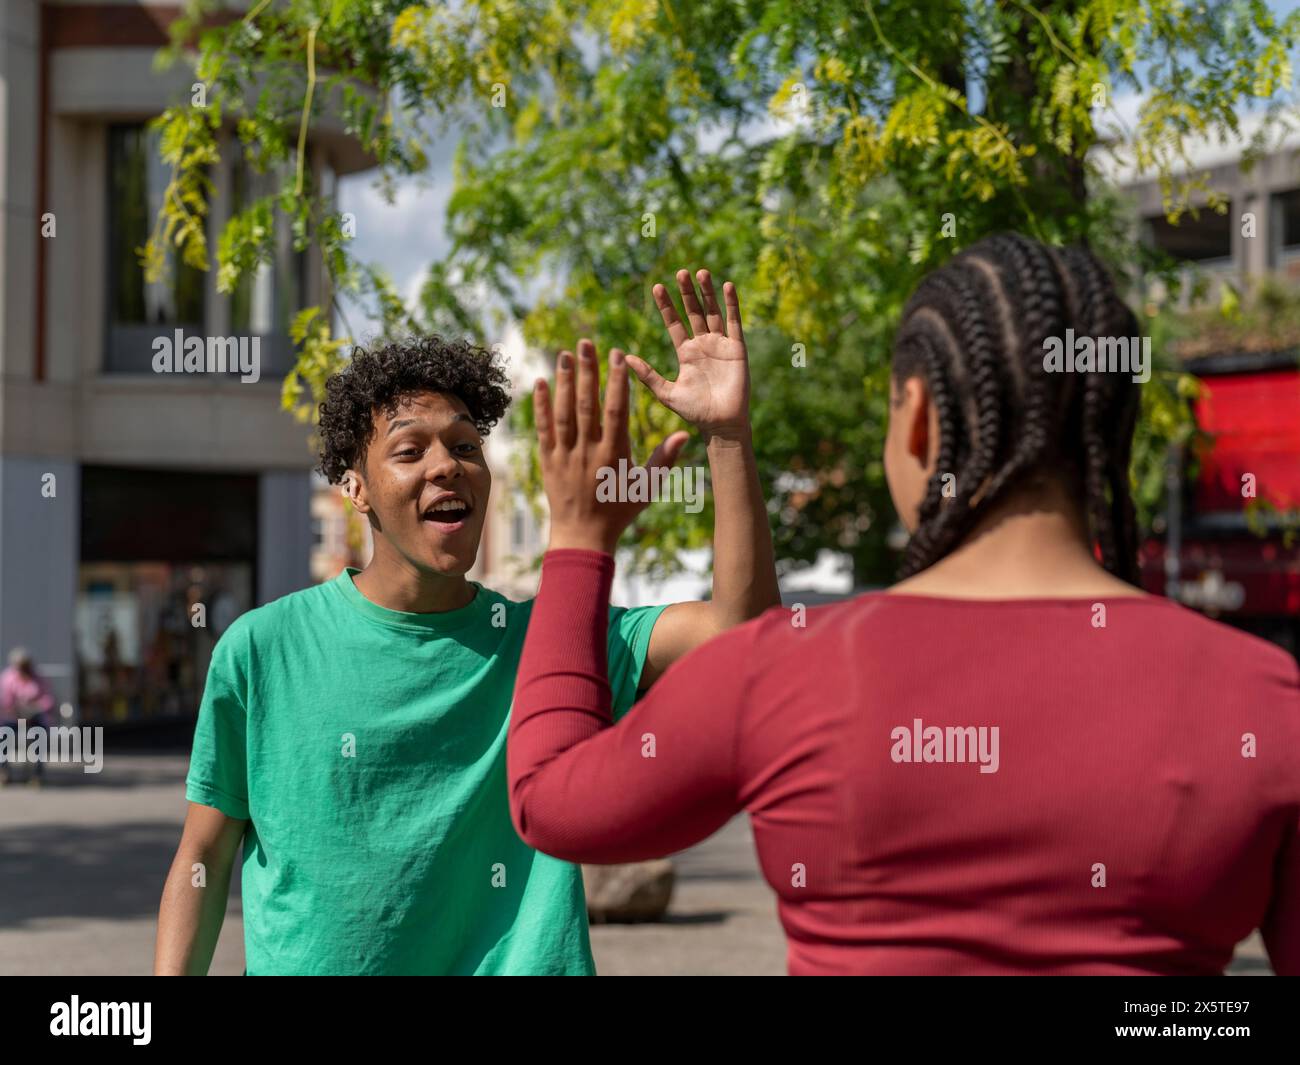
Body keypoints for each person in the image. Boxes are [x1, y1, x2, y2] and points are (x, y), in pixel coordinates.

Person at [509, 232, 1300, 976]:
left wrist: (580, 538)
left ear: (917, 417)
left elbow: (550, 800)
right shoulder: (1266, 698)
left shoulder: (787, 672)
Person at [154, 270, 780, 975]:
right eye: (409, 449)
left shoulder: (556, 641)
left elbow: (742, 631)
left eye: (465, 445)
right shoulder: (262, 649)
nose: (447, 466)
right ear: (353, 486)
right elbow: (203, 855)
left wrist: (728, 439)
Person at [0, 647, 57, 787]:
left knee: (41, 733)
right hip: (13, 717)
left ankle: (37, 774)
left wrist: (37, 707)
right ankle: (3, 771)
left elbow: (49, 700)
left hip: (34, 716)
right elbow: (5, 702)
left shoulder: (38, 677)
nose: (25, 668)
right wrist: (16, 711)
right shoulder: (7, 678)